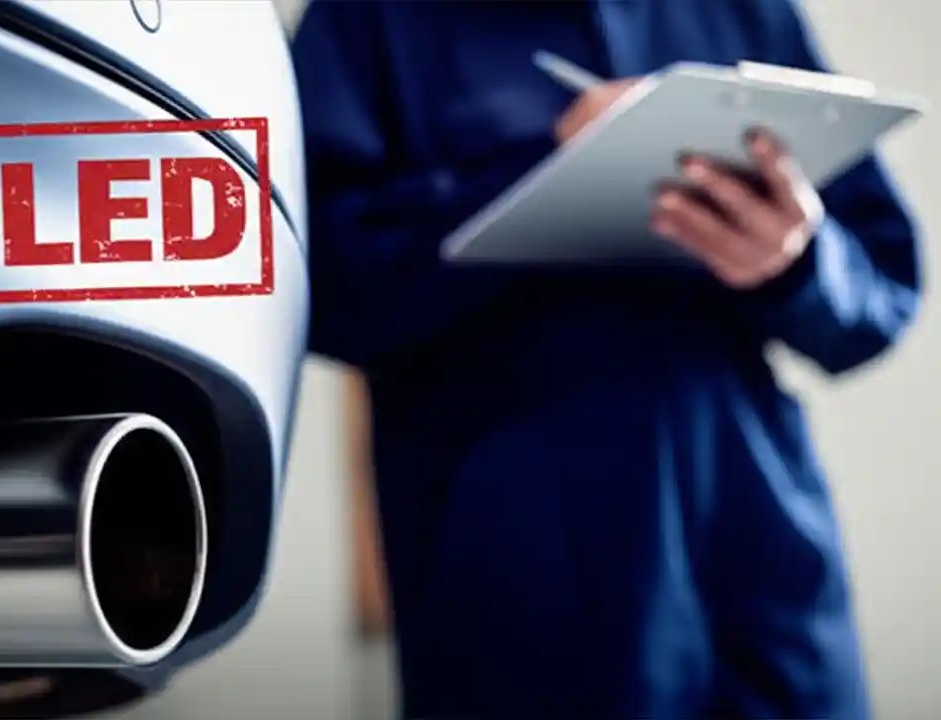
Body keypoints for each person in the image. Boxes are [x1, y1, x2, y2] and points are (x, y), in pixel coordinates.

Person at [291, 1, 922, 718]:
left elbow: (881, 300)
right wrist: (541, 166)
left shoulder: (746, 9)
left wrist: (796, 263)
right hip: (523, 589)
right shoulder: (370, 18)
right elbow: (317, 287)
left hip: (763, 569)